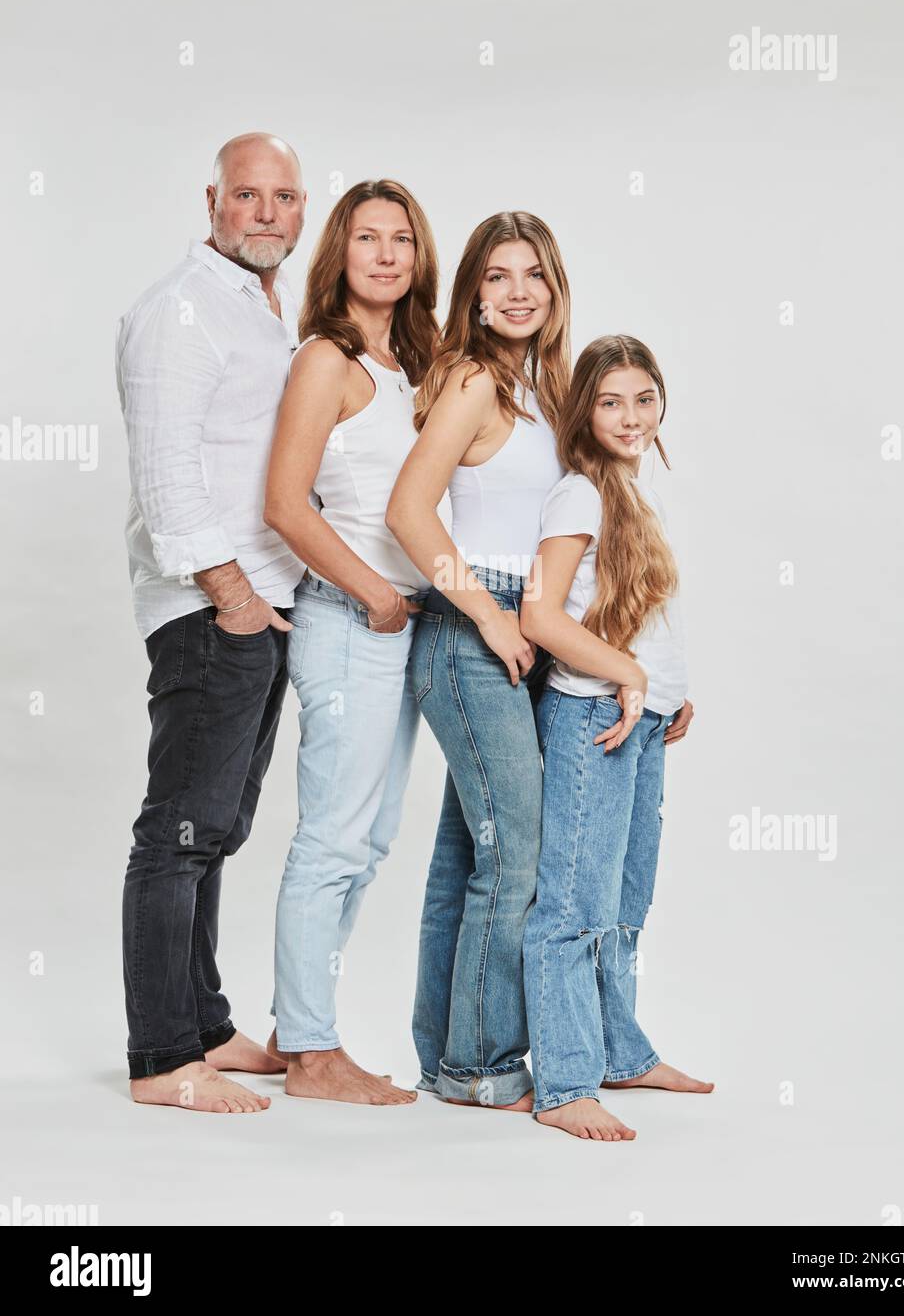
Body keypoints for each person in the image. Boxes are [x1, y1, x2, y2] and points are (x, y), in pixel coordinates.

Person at [117, 132, 307, 1113]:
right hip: (209, 606)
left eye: (283, 197)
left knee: (216, 827)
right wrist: (232, 598)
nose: (266, 212)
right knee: (179, 832)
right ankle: (160, 1059)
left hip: (259, 604)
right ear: (212, 202)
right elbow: (166, 477)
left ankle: (203, 1022)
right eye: (248, 194)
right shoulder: (180, 310)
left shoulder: (256, 311)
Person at [386, 212, 570, 1109]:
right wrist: (489, 620)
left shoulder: (549, 387)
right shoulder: (472, 381)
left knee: (471, 855)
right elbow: (410, 512)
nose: (516, 292)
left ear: (555, 286)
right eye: (496, 276)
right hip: (473, 632)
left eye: (532, 274)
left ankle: (446, 1059)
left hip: (527, 626)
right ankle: (484, 1064)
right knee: (517, 853)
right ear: (472, 291)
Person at [263, 180, 439, 1105]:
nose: (383, 255)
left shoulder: (414, 362)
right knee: (333, 839)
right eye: (366, 238)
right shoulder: (325, 360)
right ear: (340, 252)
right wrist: (374, 593)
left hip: (400, 628)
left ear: (418, 257)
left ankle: (296, 1026)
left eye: (400, 240)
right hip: (347, 623)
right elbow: (284, 504)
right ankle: (313, 1052)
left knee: (367, 841)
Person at [518, 334, 711, 1141]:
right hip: (592, 719)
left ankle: (620, 1053)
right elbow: (539, 613)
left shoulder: (640, 486)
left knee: (625, 900)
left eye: (642, 399)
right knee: (571, 905)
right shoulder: (578, 495)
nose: (629, 417)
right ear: (583, 411)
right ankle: (563, 1083)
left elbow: (641, 612)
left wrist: (667, 690)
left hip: (642, 720)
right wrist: (629, 680)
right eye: (609, 401)